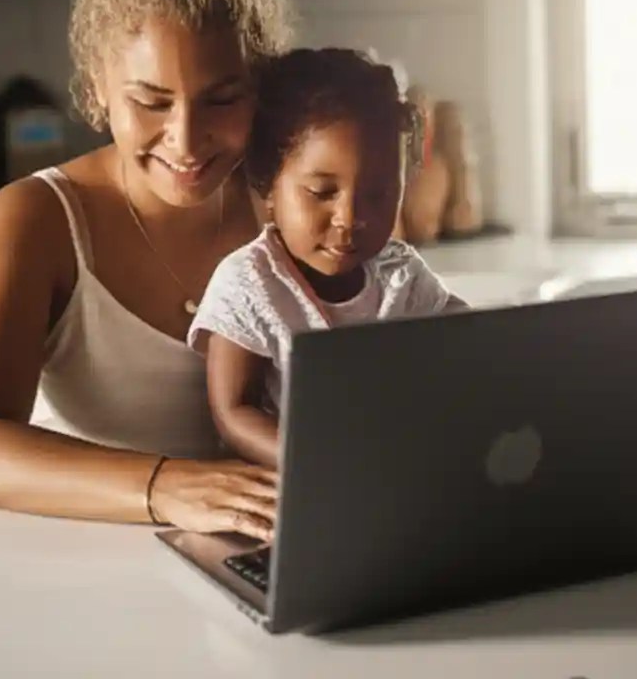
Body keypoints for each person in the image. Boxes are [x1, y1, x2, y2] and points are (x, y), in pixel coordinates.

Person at [0, 0, 293, 542]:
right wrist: (167, 486)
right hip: (68, 573)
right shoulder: (37, 220)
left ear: (259, 88)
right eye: (151, 101)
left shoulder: (291, 206)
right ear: (98, 85)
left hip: (244, 557)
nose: (187, 140)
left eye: (221, 100)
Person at [188, 48, 466, 470]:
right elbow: (233, 413)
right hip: (294, 491)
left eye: (379, 194)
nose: (351, 217)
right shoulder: (248, 282)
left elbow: (471, 347)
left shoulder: (400, 275)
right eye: (321, 193)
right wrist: (318, 462)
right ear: (268, 186)